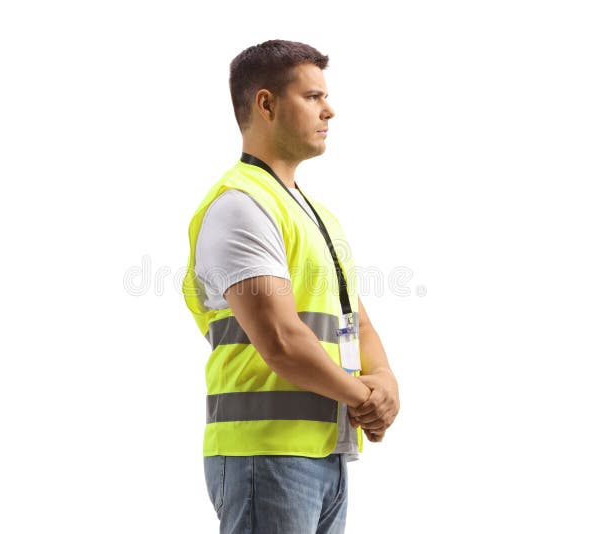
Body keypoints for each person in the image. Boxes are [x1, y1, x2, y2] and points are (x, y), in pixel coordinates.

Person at [182, 39, 400, 533]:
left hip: (324, 453)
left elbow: (355, 320)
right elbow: (281, 340)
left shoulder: (315, 214)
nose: (330, 110)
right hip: (266, 453)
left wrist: (384, 379)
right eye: (313, 96)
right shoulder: (240, 204)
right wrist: (364, 397)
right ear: (266, 104)